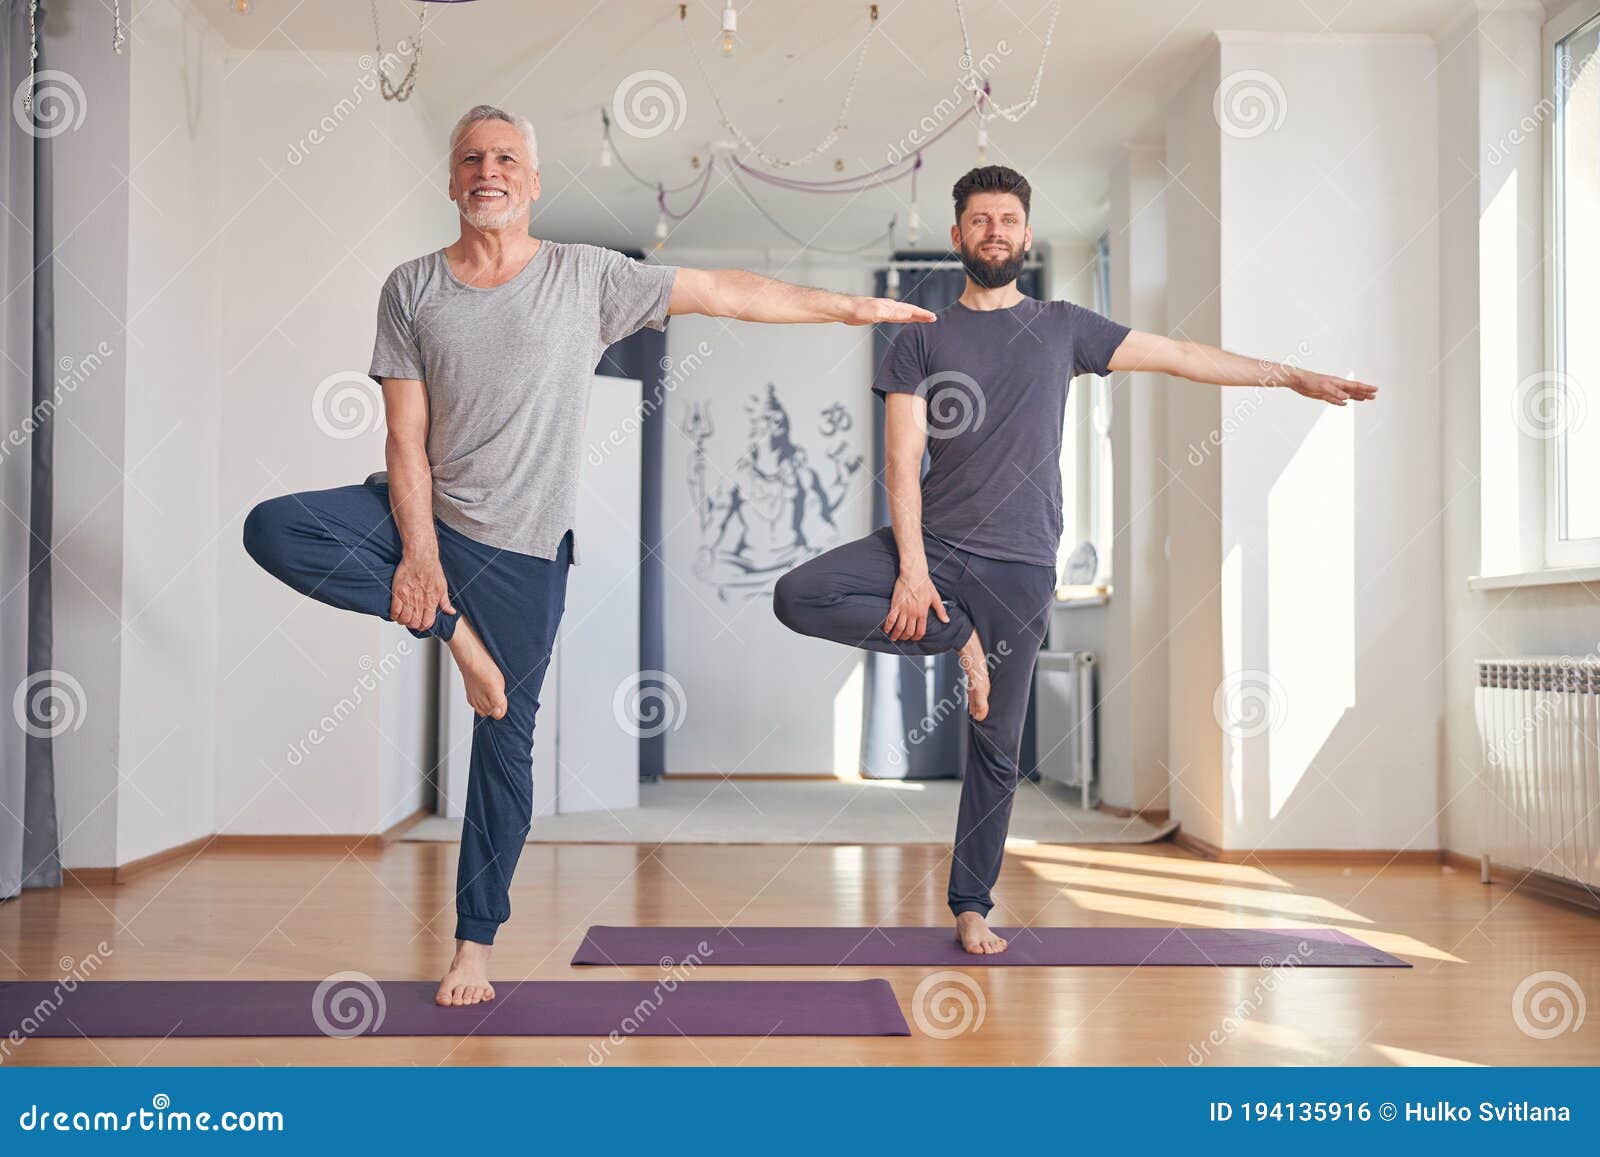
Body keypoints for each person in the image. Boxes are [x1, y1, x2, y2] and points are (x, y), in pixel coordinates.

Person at [242, 104, 933, 1007]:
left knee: (504, 746)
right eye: (470, 159)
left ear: (531, 182)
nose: (487, 170)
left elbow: (726, 290)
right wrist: (422, 570)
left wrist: (853, 307)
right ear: (453, 181)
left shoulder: (586, 277)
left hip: (524, 552)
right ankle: (456, 635)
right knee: (275, 527)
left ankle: (473, 949)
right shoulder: (411, 287)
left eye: (505, 158)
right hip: (426, 515)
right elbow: (403, 441)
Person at [772, 164, 1378, 955]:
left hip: (1021, 564)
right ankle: (957, 641)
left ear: (1025, 235)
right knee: (799, 594)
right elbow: (901, 459)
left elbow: (1180, 355)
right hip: (937, 547)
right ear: (957, 236)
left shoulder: (1064, 325)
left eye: (1008, 219)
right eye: (980, 219)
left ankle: (971, 905)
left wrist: (1288, 374)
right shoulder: (920, 332)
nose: (995, 230)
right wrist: (916, 575)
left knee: (996, 745)